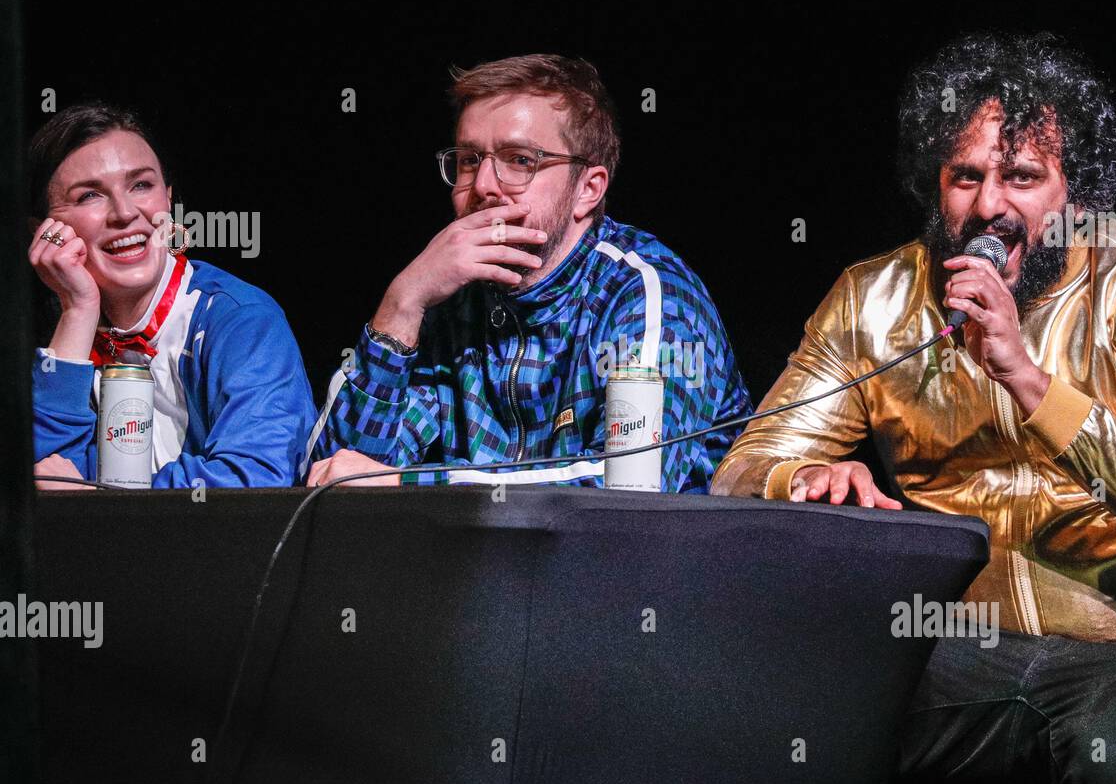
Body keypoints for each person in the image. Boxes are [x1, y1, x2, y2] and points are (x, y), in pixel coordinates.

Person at [710, 32, 1116, 784]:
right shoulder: (875, 298)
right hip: (956, 645)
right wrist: (800, 477)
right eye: (965, 177)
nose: (989, 205)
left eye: (1023, 176)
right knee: (775, 733)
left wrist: (1025, 377)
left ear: (1079, 195)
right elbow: (738, 470)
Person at [307, 54, 750, 491]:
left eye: (519, 160)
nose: (482, 185)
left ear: (587, 190)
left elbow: (624, 494)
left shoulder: (647, 290)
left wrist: (409, 484)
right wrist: (401, 306)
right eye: (468, 159)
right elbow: (334, 478)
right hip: (479, 563)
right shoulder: (446, 297)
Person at [29, 104, 316, 488]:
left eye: (141, 185)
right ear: (46, 231)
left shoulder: (240, 318)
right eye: (89, 196)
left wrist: (95, 494)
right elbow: (37, 483)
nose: (125, 213)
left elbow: (255, 482)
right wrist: (78, 310)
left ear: (168, 200)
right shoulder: (47, 331)